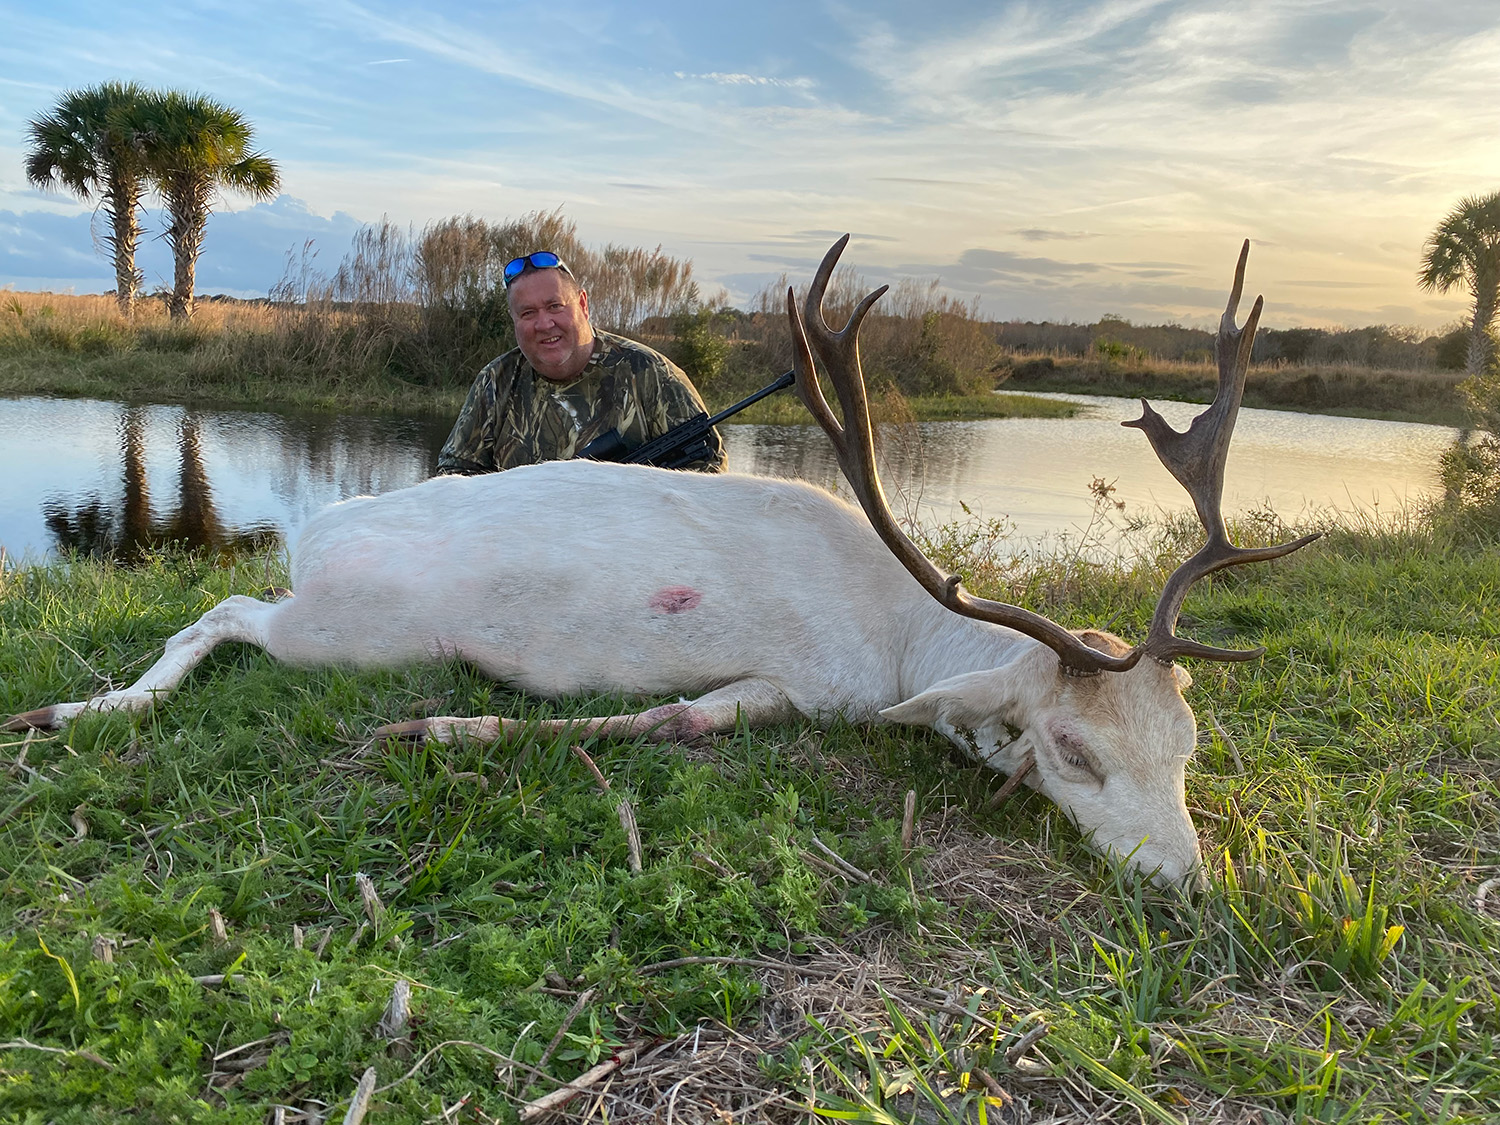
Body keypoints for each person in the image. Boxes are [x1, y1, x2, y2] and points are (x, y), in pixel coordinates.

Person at [437, 251, 726, 475]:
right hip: (521, 543)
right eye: (527, 313)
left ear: (583, 305)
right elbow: (453, 477)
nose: (544, 323)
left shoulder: (652, 373)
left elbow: (708, 471)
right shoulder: (495, 381)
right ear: (514, 321)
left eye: (555, 306)